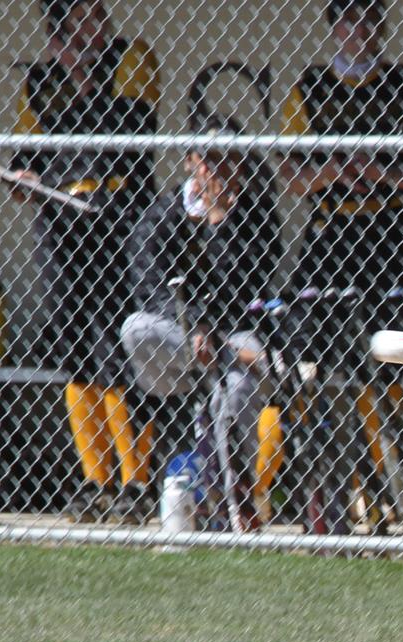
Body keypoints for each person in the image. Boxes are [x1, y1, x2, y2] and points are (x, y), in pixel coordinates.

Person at [279, 0, 403, 531]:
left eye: (370, 20)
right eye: (349, 21)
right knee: (324, 354)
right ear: (333, 28)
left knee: (393, 351)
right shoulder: (309, 86)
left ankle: (397, 479)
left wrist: (381, 173)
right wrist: (334, 171)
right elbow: (290, 173)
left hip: (394, 227)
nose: (360, 31)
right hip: (335, 229)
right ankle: (349, 487)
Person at [11, 0, 160, 524]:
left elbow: (134, 120)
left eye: (97, 14)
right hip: (61, 224)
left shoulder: (130, 58)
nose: (93, 24)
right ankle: (94, 478)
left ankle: (135, 479)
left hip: (116, 216)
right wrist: (26, 179)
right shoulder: (41, 78)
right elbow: (27, 150)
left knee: (117, 349)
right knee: (77, 352)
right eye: (79, 17)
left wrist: (81, 78)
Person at [121, 130, 284, 528]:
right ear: (190, 162)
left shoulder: (255, 213)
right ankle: (227, 360)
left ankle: (231, 507)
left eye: (227, 159)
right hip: (177, 348)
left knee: (238, 388)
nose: (217, 169)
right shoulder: (165, 212)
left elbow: (246, 289)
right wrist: (194, 325)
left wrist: (218, 225)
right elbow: (146, 282)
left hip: (234, 332)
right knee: (134, 328)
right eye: (207, 159)